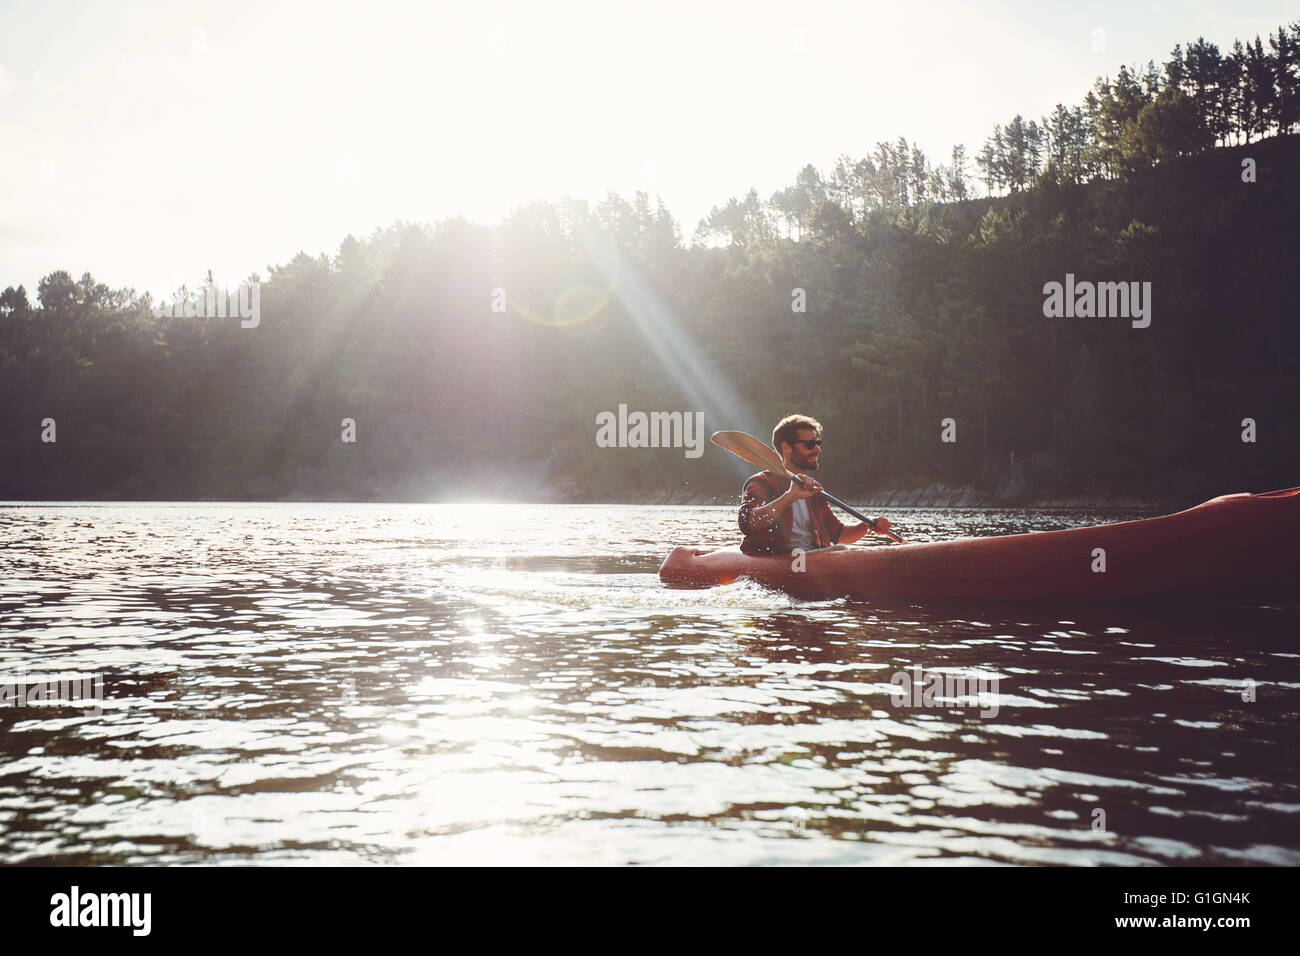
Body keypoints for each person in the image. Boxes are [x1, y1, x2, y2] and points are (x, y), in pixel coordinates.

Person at [737, 414, 890, 555]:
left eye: (818, 443)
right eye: (810, 444)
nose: (818, 449)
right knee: (841, 551)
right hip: (776, 559)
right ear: (786, 447)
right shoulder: (762, 482)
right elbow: (749, 523)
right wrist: (790, 496)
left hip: (810, 559)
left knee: (840, 549)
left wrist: (868, 525)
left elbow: (837, 534)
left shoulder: (813, 489)